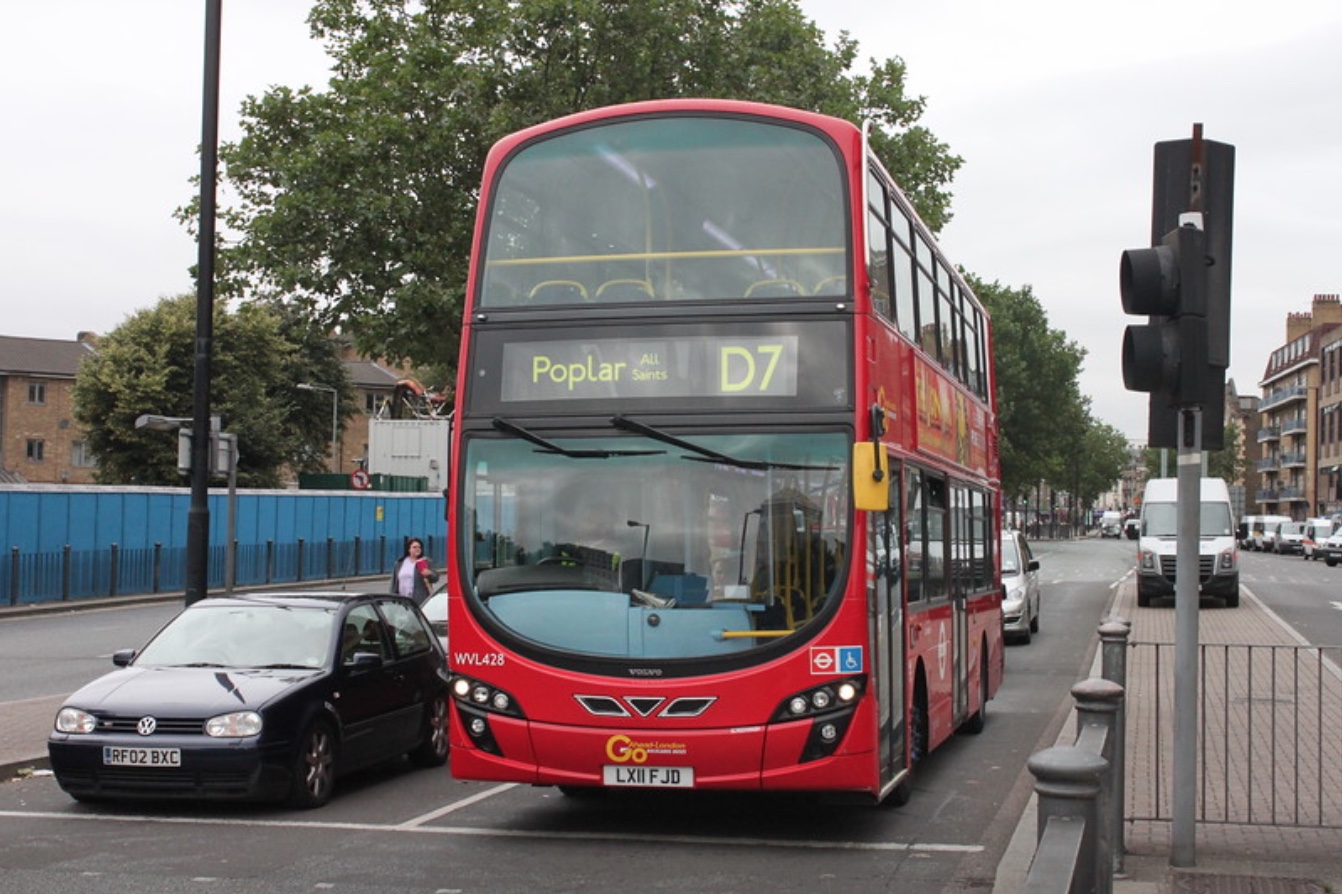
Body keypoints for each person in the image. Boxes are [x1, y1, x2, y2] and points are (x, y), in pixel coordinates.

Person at [390, 537, 438, 603]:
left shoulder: (425, 562)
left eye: (419, 547)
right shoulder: (399, 563)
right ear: (409, 549)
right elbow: (394, 583)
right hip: (402, 599)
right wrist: (392, 598)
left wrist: (429, 574)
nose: (417, 549)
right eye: (414, 547)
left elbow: (435, 578)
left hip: (419, 600)